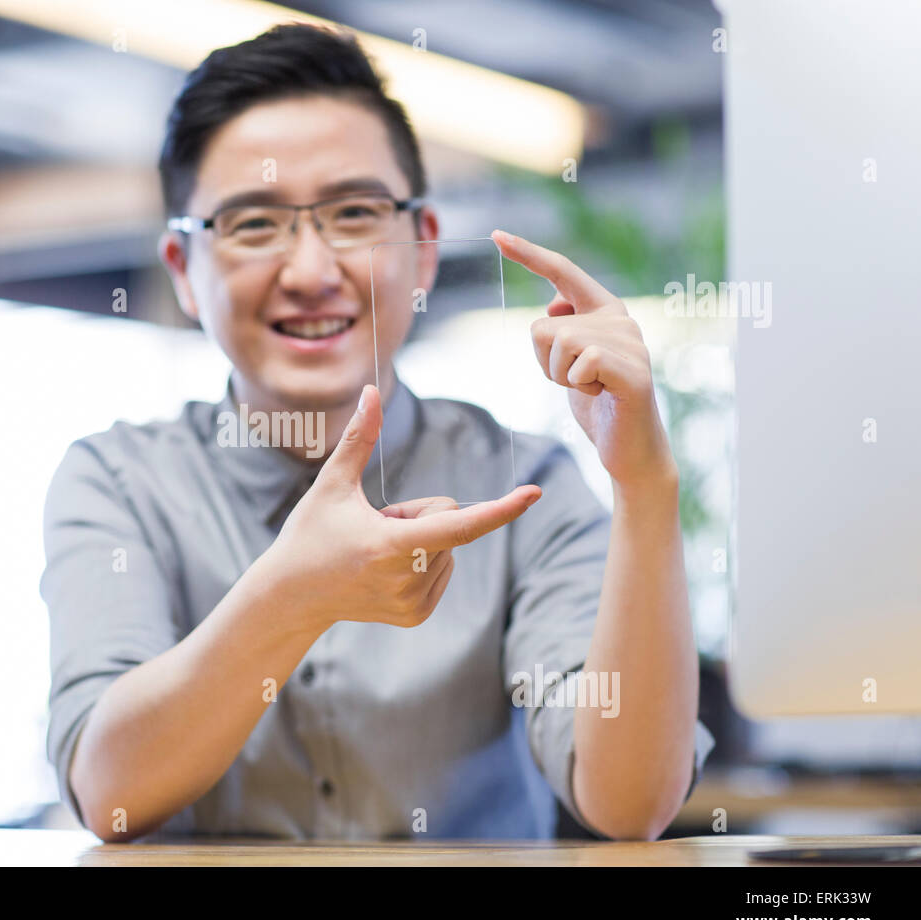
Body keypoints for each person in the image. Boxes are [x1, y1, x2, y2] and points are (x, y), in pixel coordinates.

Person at [40, 22, 714, 842]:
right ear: (184, 271)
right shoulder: (118, 481)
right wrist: (291, 594)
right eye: (254, 223)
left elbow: (630, 802)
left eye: (355, 213)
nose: (314, 271)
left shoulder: (522, 480)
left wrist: (645, 483)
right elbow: (108, 791)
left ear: (424, 250)